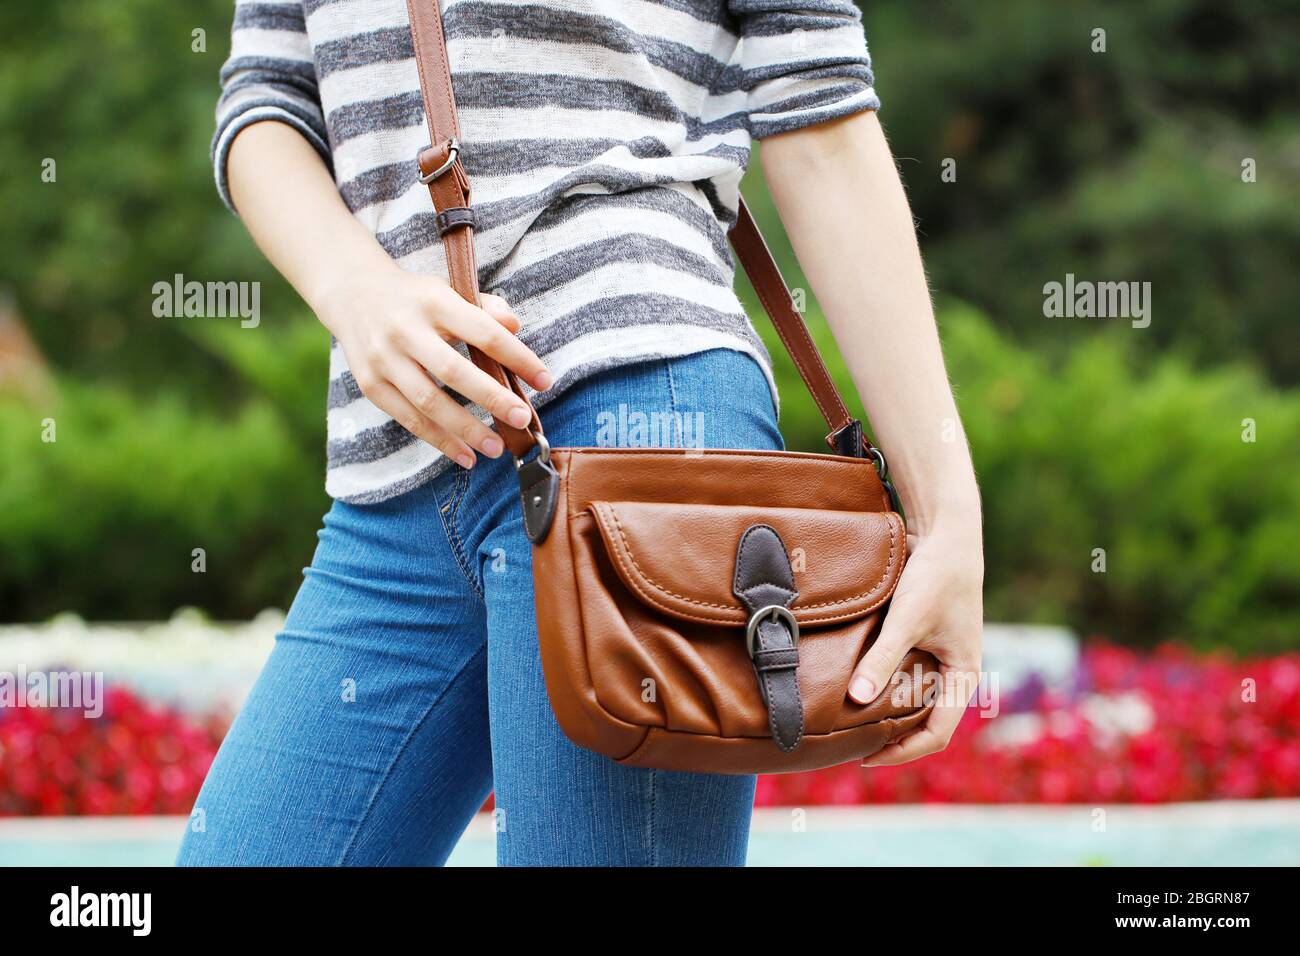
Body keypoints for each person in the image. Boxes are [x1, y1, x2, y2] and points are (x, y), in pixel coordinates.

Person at [177, 0, 983, 867]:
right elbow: (268, 95)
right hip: (401, 463)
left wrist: (947, 516)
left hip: (641, 426)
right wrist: (356, 291)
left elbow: (818, 111)